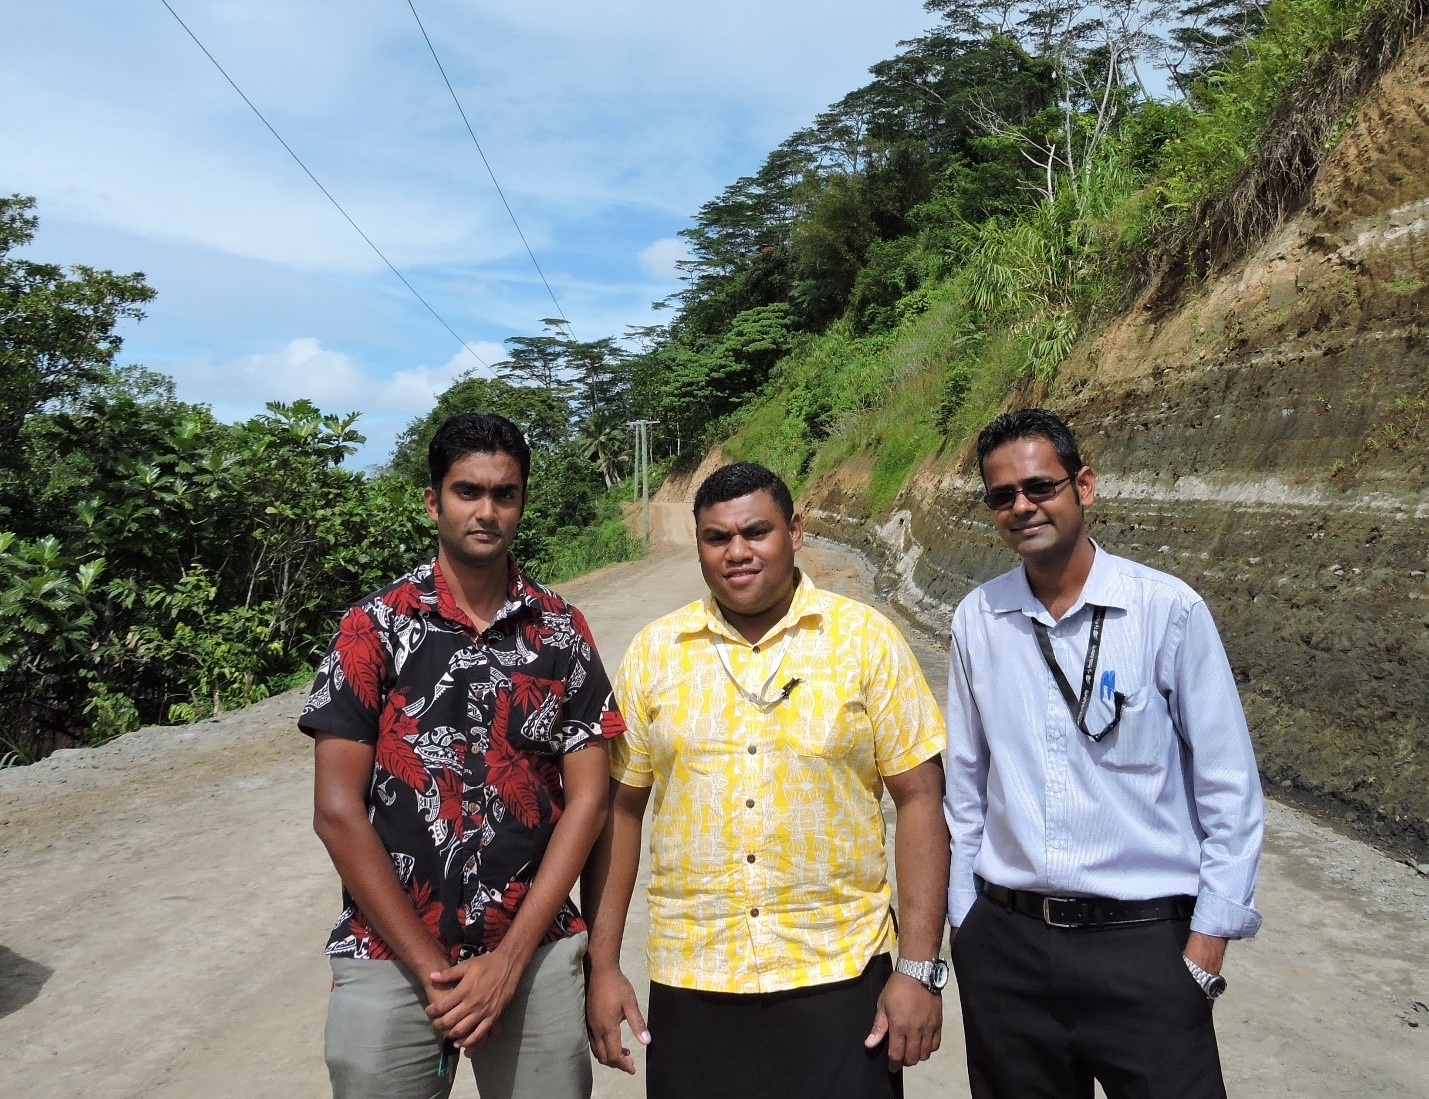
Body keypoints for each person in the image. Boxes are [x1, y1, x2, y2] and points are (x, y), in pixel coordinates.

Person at [582, 461, 949, 1099]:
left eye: (757, 532)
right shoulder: (656, 652)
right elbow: (622, 811)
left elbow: (920, 799)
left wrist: (918, 968)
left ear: (795, 532)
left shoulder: (865, 642)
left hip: (839, 973)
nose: (738, 552)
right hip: (695, 977)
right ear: (697, 544)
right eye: (718, 538)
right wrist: (604, 966)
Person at [299, 411, 624, 1099]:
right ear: (433, 501)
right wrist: (429, 969)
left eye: (503, 493)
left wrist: (506, 962)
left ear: (522, 502)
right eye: (467, 490)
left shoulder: (562, 630)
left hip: (530, 952)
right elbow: (336, 811)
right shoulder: (374, 627)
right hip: (389, 950)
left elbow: (589, 798)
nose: (486, 509)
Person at [944, 408, 1264, 1099]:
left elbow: (1228, 786)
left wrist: (1206, 943)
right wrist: (966, 920)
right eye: (1002, 495)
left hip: (1143, 944)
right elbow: (964, 783)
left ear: (1082, 485)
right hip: (1007, 947)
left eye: (1039, 486)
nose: (1022, 507)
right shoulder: (978, 617)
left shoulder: (1165, 610)